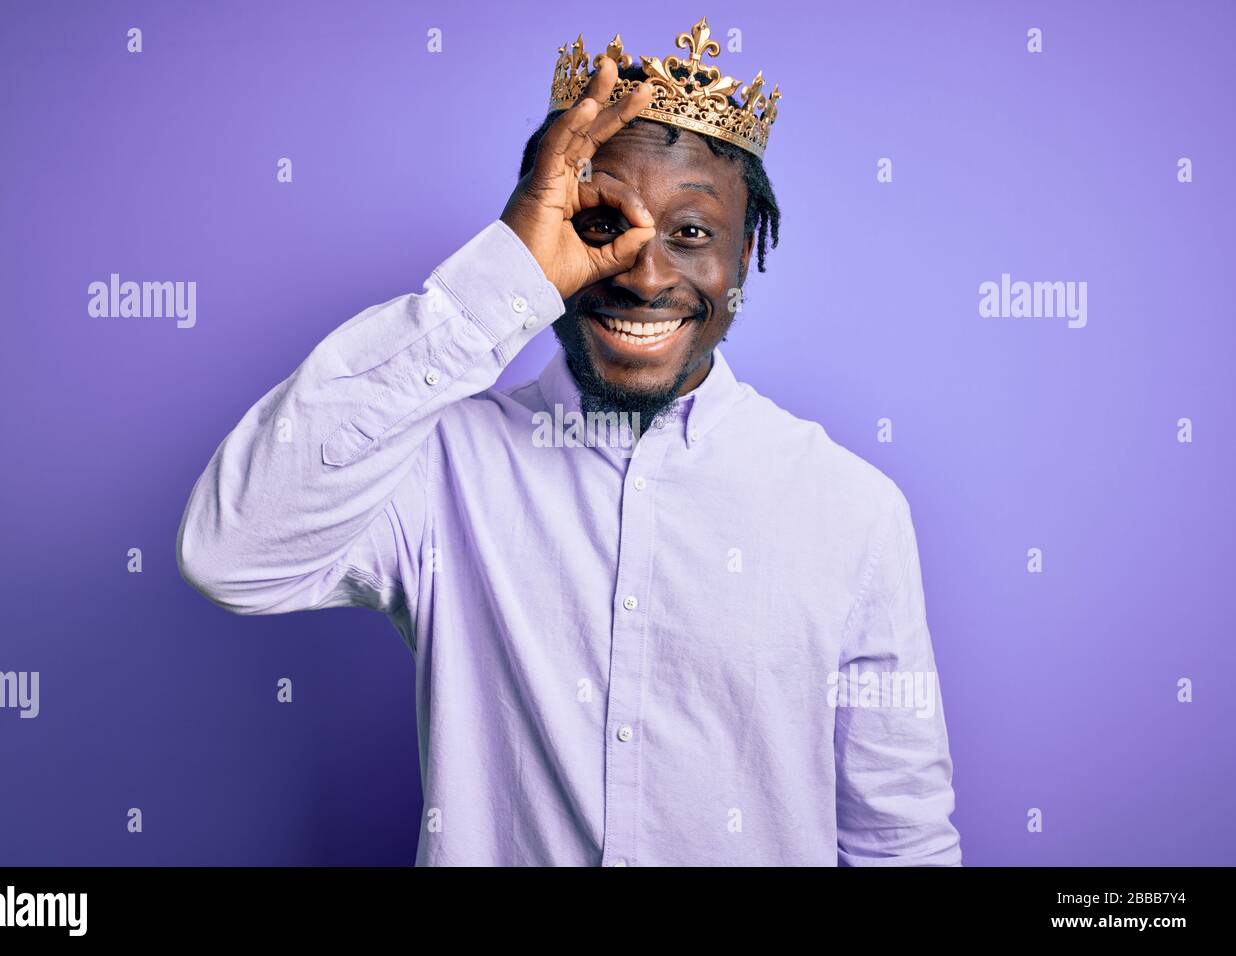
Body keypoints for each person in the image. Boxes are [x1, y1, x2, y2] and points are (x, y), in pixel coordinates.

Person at [177, 19, 962, 867]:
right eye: (601, 221)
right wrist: (505, 276)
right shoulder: (438, 466)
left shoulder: (853, 510)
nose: (646, 273)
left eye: (692, 233)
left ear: (743, 259)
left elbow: (900, 840)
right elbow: (232, 555)